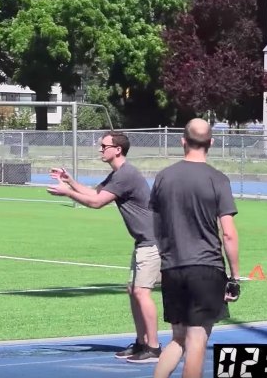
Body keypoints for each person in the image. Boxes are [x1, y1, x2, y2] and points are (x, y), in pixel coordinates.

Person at [47, 131, 162, 363]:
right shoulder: (117, 175)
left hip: (153, 242)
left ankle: (154, 348)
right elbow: (94, 192)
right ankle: (141, 343)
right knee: (133, 291)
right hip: (143, 241)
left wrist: (66, 192)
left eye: (104, 146)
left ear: (117, 149)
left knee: (142, 292)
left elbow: (97, 203)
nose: (100, 149)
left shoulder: (126, 174)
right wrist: (70, 181)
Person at [148, 118, 241, 378]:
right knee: (197, 340)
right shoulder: (218, 179)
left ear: (183, 141)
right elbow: (229, 234)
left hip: (173, 267)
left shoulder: (164, 176)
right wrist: (234, 277)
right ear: (211, 142)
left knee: (178, 339)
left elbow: (155, 224)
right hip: (206, 268)